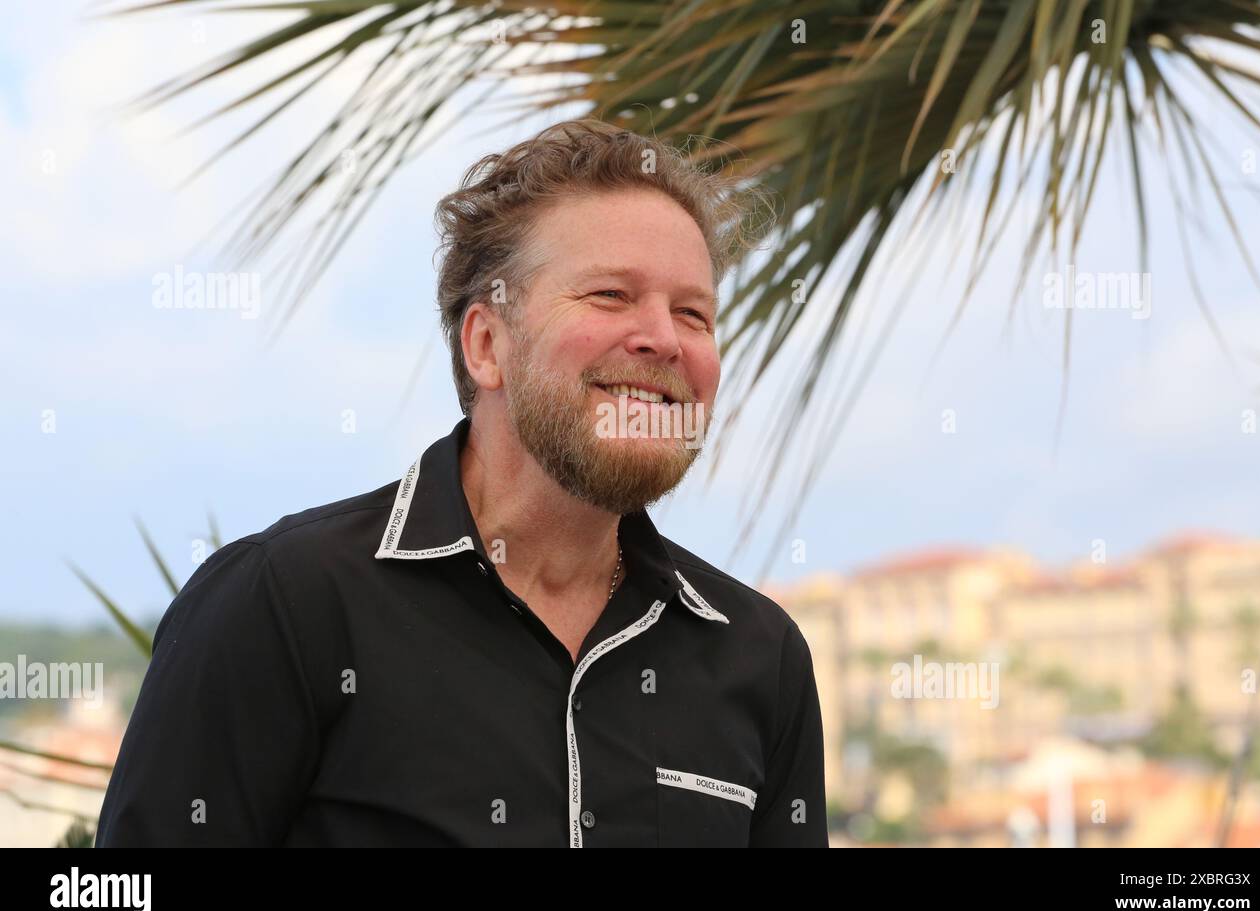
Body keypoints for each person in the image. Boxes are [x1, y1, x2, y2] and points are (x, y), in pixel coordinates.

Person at [95, 118, 827, 847]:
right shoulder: (286, 603)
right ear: (486, 345)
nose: (664, 338)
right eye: (609, 295)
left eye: (692, 312)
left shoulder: (762, 658)